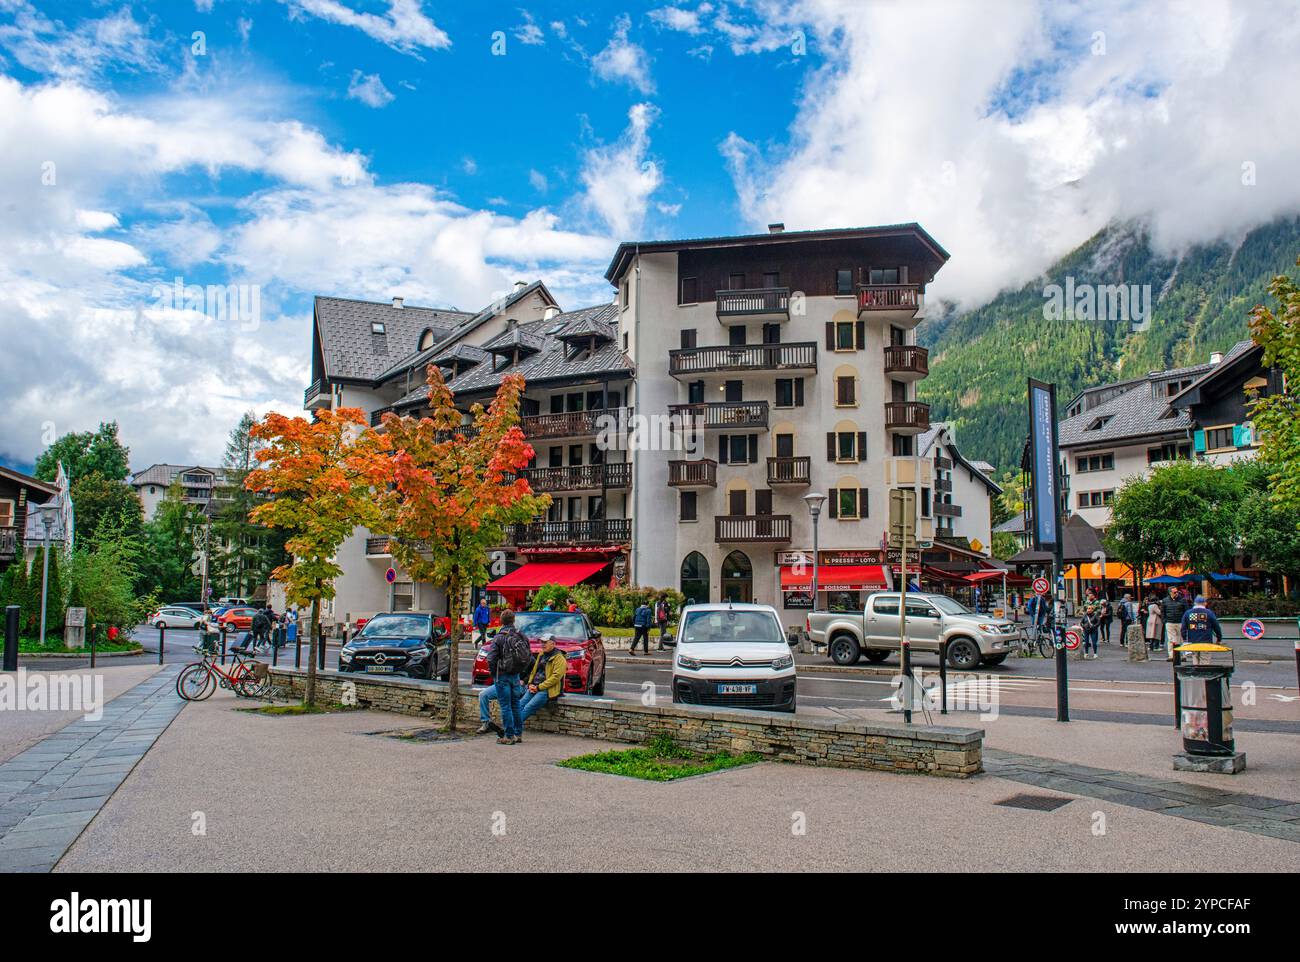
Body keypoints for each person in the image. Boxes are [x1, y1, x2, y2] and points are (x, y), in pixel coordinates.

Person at [486, 610, 529, 745]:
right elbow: (528, 655)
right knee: (516, 704)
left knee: (505, 706)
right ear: (513, 620)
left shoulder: (499, 637)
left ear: (501, 621)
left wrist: (494, 673)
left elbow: (491, 658)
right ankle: (518, 733)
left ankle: (508, 736)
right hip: (515, 674)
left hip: (502, 675)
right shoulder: (520, 635)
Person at [518, 634, 565, 728]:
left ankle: (511, 728)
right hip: (534, 687)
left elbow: (555, 678)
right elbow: (534, 671)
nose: (542, 644)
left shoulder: (560, 658)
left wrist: (539, 687)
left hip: (546, 690)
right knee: (519, 705)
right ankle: (515, 730)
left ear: (553, 643)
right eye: (542, 642)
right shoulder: (541, 654)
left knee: (528, 707)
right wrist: (530, 684)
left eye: (545, 642)